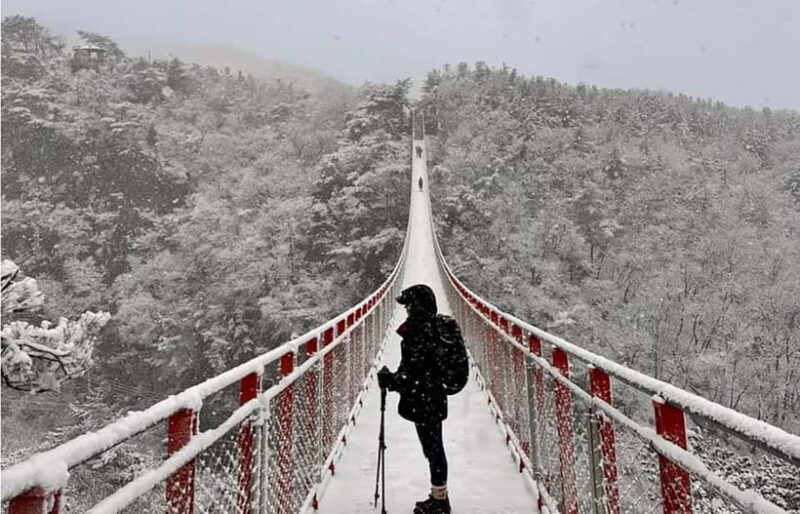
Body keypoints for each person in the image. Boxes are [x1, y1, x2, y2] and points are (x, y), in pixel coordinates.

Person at [378, 284, 458, 514]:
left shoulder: (419, 332)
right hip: (434, 397)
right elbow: (415, 370)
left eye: (409, 305)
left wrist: (390, 381)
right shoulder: (432, 329)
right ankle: (439, 496)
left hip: (424, 400)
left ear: (417, 307)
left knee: (433, 449)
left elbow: (412, 372)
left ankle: (440, 501)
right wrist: (397, 379)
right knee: (434, 447)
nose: (407, 310)